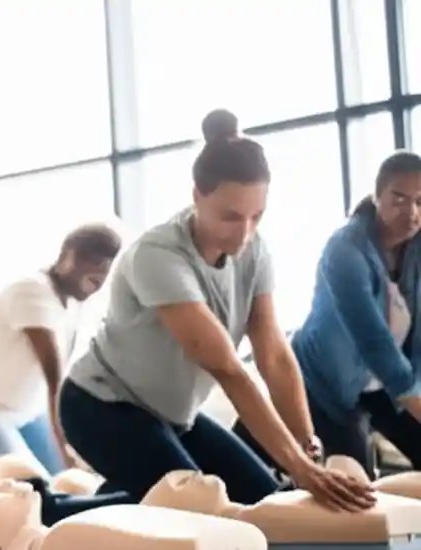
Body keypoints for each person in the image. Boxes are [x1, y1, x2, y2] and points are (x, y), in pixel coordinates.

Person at [59, 109, 375, 513]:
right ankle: (44, 512)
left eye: (255, 216)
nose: (244, 231)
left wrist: (307, 451)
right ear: (197, 196)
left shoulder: (254, 250)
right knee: (204, 510)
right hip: (99, 406)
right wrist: (299, 469)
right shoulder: (158, 255)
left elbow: (274, 356)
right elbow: (228, 367)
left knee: (267, 505)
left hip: (172, 417)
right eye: (230, 216)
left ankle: (116, 499)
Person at [278, 151, 421, 475]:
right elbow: (374, 341)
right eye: (399, 198)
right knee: (355, 486)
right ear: (377, 195)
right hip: (324, 382)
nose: (411, 212)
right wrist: (414, 400)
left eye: (420, 201)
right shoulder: (344, 250)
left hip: (384, 385)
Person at [0, 222, 121, 477]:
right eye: (91, 272)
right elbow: (54, 378)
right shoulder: (32, 291)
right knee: (33, 489)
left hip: (24, 412)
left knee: (69, 481)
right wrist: (64, 447)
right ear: (65, 257)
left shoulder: (72, 304)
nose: (95, 284)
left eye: (102, 275)